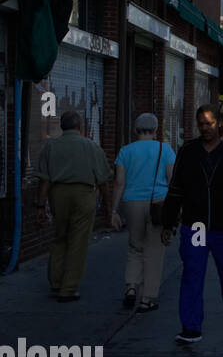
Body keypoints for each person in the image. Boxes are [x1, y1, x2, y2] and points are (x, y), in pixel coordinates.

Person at [161, 105, 223, 344]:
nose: (205, 128)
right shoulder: (187, 152)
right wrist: (167, 223)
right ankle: (191, 328)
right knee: (192, 275)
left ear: (219, 124)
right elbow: (176, 191)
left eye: (209, 124)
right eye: (201, 124)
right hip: (195, 226)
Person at [34, 110, 113, 303]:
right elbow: (103, 182)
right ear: (80, 127)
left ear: (62, 127)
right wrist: (109, 208)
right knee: (78, 241)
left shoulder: (51, 147)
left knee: (60, 236)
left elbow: (44, 181)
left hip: (58, 193)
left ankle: (56, 280)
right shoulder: (92, 147)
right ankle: (68, 288)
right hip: (84, 194)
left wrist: (40, 206)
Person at [110, 113, 176, 312]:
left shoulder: (125, 151)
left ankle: (131, 287)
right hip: (158, 202)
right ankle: (147, 298)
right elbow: (172, 179)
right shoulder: (165, 150)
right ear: (156, 130)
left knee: (135, 246)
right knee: (154, 251)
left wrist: (114, 210)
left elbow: (119, 182)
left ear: (135, 130)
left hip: (132, 203)